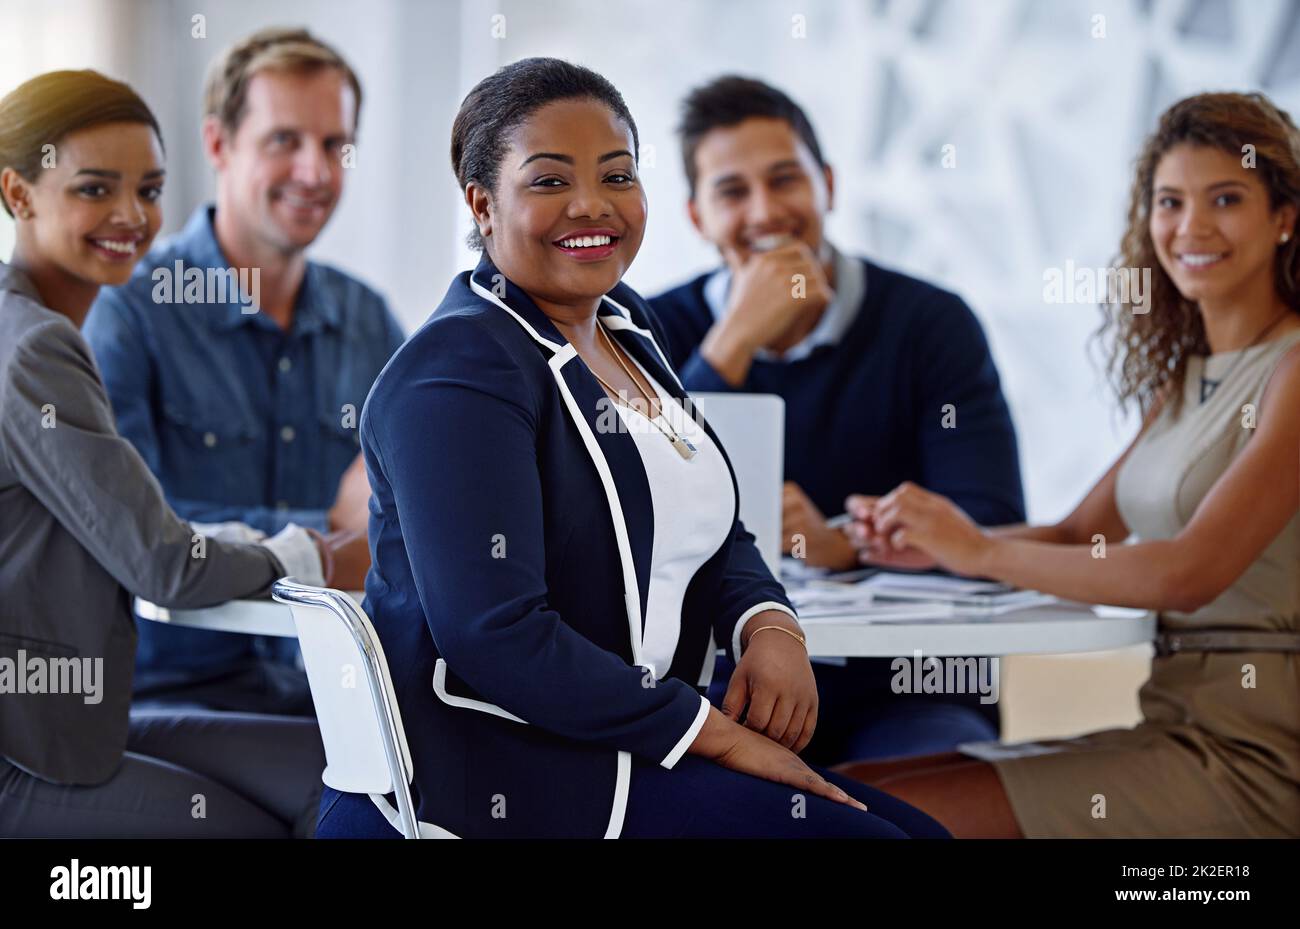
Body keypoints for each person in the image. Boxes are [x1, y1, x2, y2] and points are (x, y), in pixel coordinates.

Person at [314, 57, 948, 839]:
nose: (592, 204)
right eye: (549, 181)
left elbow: (713, 519)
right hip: (504, 771)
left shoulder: (626, 327)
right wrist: (718, 735)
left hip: (633, 736)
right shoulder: (456, 372)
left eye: (617, 175)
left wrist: (770, 625)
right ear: (482, 204)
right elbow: (496, 635)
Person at [837, 92, 1300, 839]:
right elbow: (1079, 530)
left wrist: (984, 552)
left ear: (1285, 217)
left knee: (863, 820)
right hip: (1172, 725)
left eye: (1226, 199)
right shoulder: (1186, 378)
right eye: (1170, 201)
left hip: (1260, 753)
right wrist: (942, 545)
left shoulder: (1293, 371)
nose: (1192, 226)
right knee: (844, 793)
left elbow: (1187, 572)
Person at [0, 69, 364, 836]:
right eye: (95, 189)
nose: (132, 215)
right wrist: (319, 556)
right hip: (29, 748)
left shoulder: (38, 330)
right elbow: (163, 562)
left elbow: (151, 535)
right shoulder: (35, 348)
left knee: (341, 789)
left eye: (149, 188)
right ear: (19, 193)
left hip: (86, 718)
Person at [649, 76, 1024, 763]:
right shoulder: (652, 329)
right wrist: (728, 345)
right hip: (727, 684)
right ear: (698, 216)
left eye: (785, 179)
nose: (765, 211)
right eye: (732, 191)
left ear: (828, 186)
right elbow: (631, 510)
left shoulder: (930, 324)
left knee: (921, 789)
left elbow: (989, 518)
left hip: (909, 688)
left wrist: (846, 541)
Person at [82, 28, 404, 716]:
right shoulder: (130, 311)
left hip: (336, 691)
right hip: (168, 696)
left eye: (332, 144)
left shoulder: (369, 319)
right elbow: (129, 531)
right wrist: (329, 530)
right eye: (284, 140)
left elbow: (429, 506)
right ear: (220, 145)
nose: (315, 172)